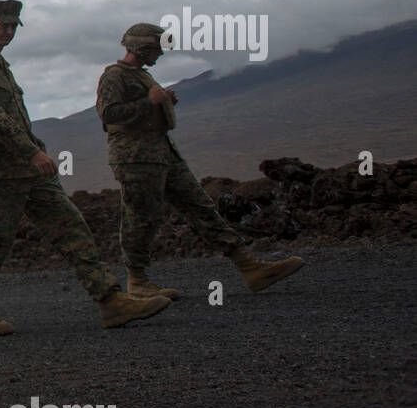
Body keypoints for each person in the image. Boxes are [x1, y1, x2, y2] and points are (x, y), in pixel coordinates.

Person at [0, 0, 172, 333]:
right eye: (3, 26)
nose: (9, 32)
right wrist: (32, 152)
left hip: (28, 169)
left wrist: (33, 152)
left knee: (71, 225)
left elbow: (13, 118)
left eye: (14, 27)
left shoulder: (1, 66)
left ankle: (111, 301)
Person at [96, 22, 306, 297]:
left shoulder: (142, 76)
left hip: (162, 154)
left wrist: (164, 101)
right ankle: (137, 281)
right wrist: (149, 102)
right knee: (141, 217)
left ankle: (250, 267)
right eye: (156, 49)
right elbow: (108, 115)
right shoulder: (115, 76)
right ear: (141, 47)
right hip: (135, 159)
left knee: (200, 206)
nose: (159, 54)